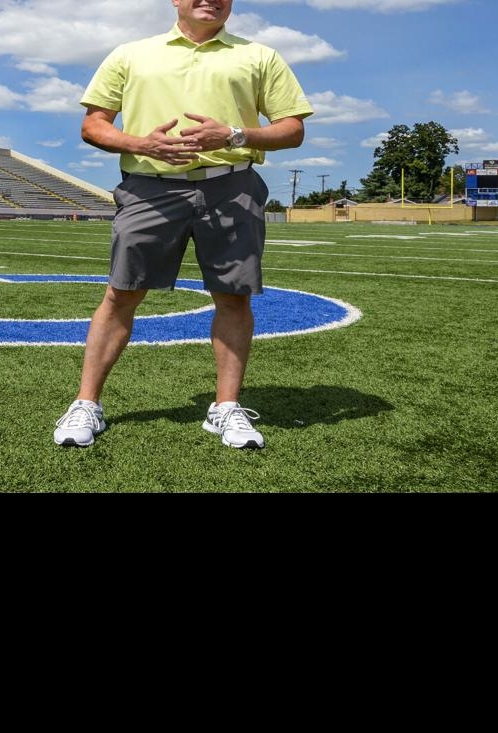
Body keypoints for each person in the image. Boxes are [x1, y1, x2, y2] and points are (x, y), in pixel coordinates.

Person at [53, 0, 312, 449]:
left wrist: (234, 134)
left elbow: (292, 128)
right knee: (121, 294)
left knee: (233, 297)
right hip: (149, 186)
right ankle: (86, 403)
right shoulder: (131, 53)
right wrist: (140, 143)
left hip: (232, 185)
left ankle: (226, 408)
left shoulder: (259, 55)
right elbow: (93, 125)